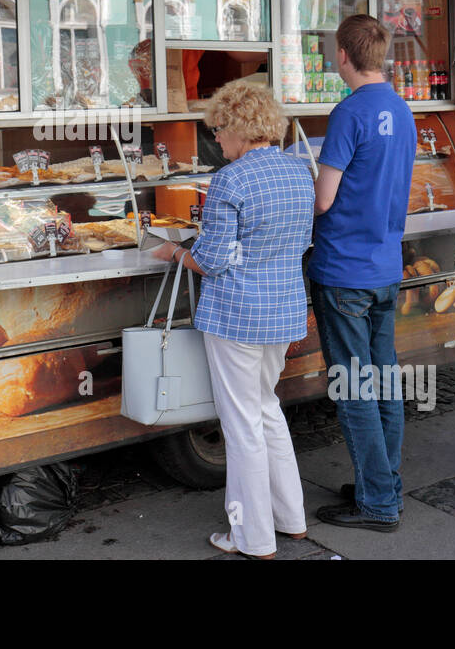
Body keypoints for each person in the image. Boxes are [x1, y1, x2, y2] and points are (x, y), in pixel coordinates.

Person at [152, 80, 313, 559]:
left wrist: (172, 252)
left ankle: (251, 537)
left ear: (241, 128)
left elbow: (215, 261)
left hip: (237, 316)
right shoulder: (298, 172)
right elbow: (300, 243)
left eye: (219, 130)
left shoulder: (231, 180)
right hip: (282, 312)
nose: (216, 140)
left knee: (240, 426)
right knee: (266, 411)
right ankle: (292, 519)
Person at [308, 14, 416, 532]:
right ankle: (384, 485)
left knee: (354, 389)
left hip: (344, 269)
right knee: (383, 382)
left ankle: (377, 504)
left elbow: (324, 199)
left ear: (344, 57)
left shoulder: (348, 113)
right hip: (384, 266)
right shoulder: (402, 108)